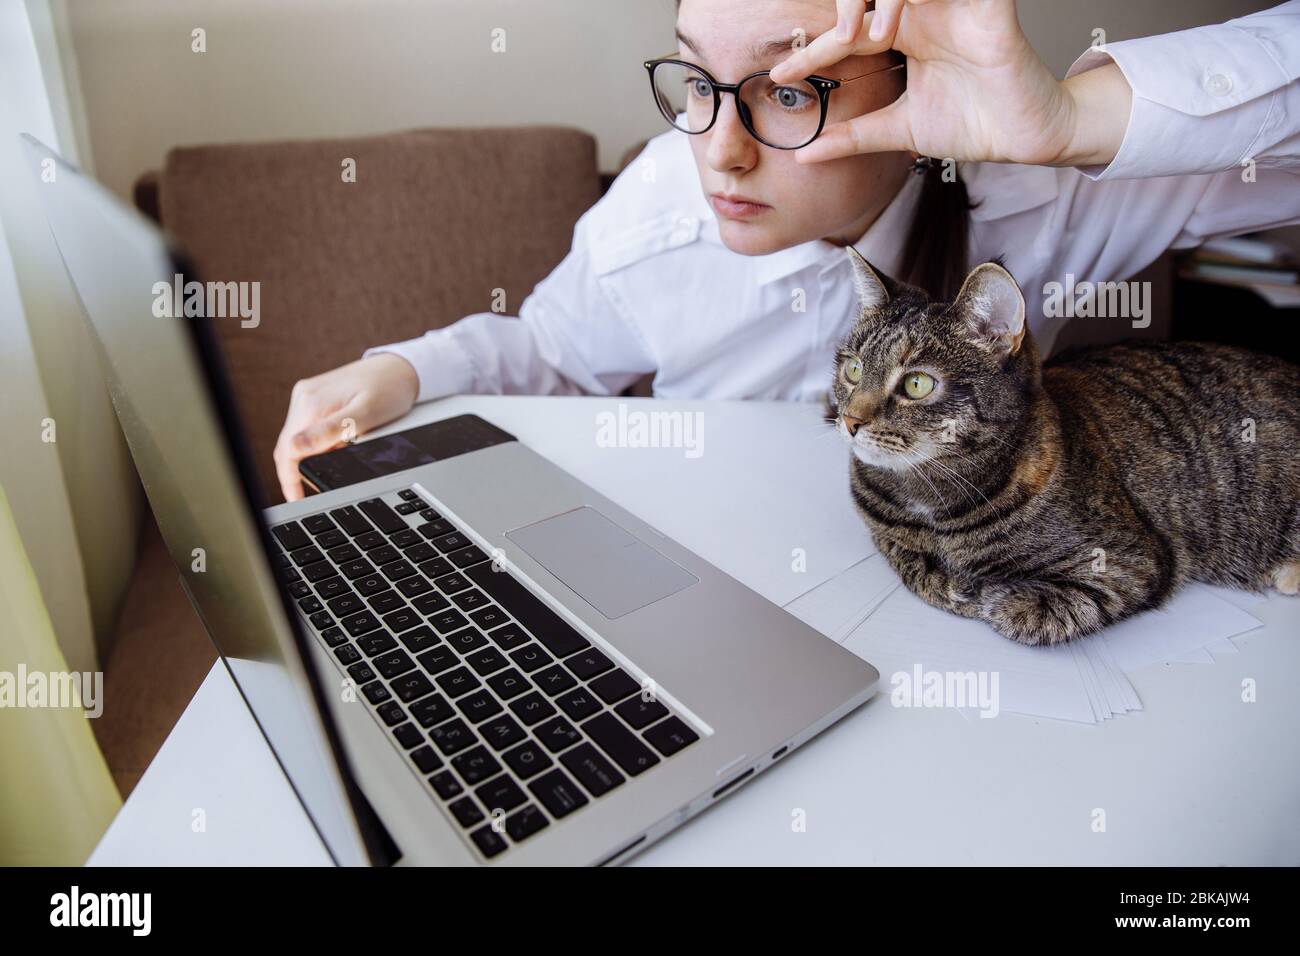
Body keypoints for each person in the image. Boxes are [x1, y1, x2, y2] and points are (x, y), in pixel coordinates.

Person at [274, 0, 1300, 501]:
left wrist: (1069, 115)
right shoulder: (663, 202)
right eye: (696, 81)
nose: (716, 149)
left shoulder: (1045, 196)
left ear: (911, 82)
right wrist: (395, 367)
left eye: (788, 89)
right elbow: (546, 349)